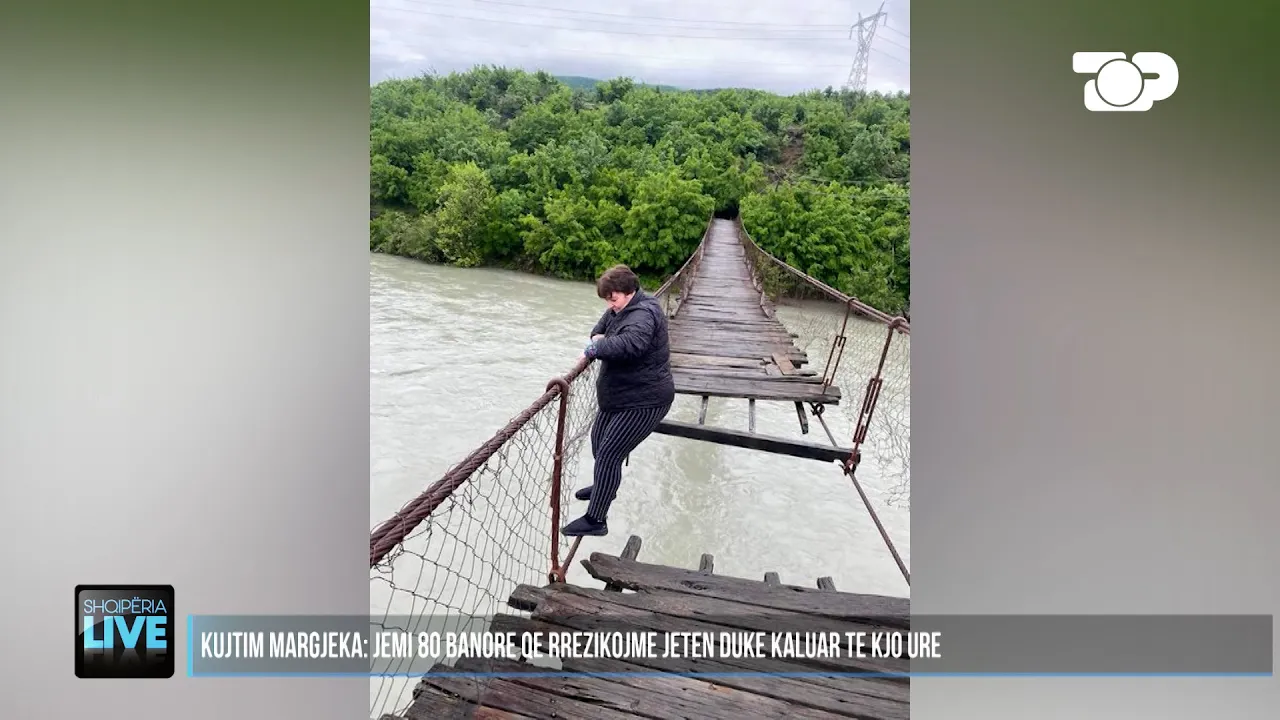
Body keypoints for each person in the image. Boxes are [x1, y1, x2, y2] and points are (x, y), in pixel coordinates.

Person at [562, 265, 676, 537]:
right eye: (607, 300)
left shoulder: (643, 315)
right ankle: (604, 488)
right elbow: (598, 330)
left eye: (613, 299)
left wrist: (596, 347)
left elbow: (629, 345)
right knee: (598, 441)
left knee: (609, 453)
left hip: (645, 400)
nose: (609, 306)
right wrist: (599, 340)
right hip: (621, 394)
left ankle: (596, 520)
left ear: (630, 292)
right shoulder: (620, 309)